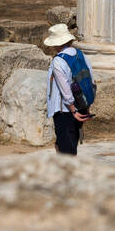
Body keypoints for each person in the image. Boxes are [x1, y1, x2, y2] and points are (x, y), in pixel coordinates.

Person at [43, 23, 93, 155]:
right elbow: (90, 78)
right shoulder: (80, 54)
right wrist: (86, 105)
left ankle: (67, 174)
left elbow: (64, 87)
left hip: (65, 110)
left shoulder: (58, 61)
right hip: (81, 104)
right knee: (72, 144)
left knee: (65, 149)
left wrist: (72, 109)